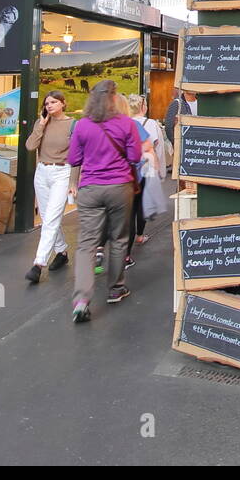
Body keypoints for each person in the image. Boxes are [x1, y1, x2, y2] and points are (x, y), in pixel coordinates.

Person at [66, 79, 143, 323]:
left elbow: (74, 158)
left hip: (90, 188)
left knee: (87, 244)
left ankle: (81, 300)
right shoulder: (126, 123)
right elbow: (135, 156)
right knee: (119, 238)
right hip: (119, 186)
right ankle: (116, 288)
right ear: (113, 98)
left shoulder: (81, 125)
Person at [23, 90, 73, 284]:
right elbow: (29, 146)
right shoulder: (41, 123)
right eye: (46, 103)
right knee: (46, 217)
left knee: (51, 217)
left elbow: (78, 154)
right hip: (42, 171)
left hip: (62, 172)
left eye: (53, 102)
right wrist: (41, 126)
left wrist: (74, 181)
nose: (49, 106)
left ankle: (38, 264)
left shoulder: (72, 124)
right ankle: (61, 251)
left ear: (63, 103)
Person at [124, 94, 162, 264]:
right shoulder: (150, 124)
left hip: (124, 171)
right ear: (143, 107)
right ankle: (138, 236)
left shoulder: (123, 123)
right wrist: (159, 168)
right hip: (143, 168)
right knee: (139, 205)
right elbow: (154, 146)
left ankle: (117, 249)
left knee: (127, 210)